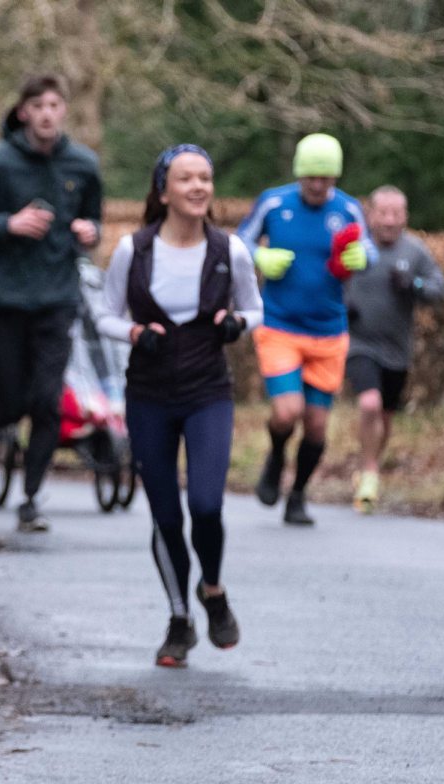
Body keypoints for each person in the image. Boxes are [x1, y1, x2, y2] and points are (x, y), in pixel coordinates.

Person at [100, 145, 263, 668]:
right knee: (166, 515)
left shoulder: (229, 250)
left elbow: (256, 307)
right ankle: (178, 619)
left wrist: (240, 325)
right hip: (148, 394)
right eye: (186, 178)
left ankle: (212, 592)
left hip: (206, 392)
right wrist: (132, 332)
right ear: (163, 190)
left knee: (207, 506)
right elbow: (104, 314)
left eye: (205, 178)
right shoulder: (134, 249)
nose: (198, 187)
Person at [0, 74, 104, 532]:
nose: (47, 113)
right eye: (38, 105)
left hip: (57, 298)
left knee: (48, 401)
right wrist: (9, 223)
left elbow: (93, 219)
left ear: (64, 111)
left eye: (55, 105)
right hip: (3, 299)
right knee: (11, 400)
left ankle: (32, 499)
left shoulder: (83, 164)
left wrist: (90, 232)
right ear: (23, 112)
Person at [237, 133, 373, 525]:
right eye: (311, 177)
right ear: (299, 175)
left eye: (326, 178)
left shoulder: (347, 209)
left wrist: (361, 256)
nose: (318, 186)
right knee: (287, 411)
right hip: (279, 324)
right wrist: (260, 255)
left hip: (329, 331)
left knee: (315, 424)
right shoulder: (275, 202)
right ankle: (276, 454)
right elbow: (240, 239)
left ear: (335, 178)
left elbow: (371, 249)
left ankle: (296, 496)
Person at [343, 185, 444, 512]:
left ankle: (365, 467)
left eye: (396, 213)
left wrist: (412, 285)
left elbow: (438, 290)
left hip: (396, 350)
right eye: (382, 213)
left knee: (385, 419)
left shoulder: (414, 251)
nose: (389, 220)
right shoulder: (353, 247)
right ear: (369, 214)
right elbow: (327, 278)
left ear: (405, 216)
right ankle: (371, 472)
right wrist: (341, 308)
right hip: (358, 343)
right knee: (370, 405)